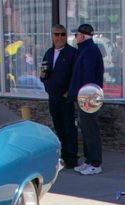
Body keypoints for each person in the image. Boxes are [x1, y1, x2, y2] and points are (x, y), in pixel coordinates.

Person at [68, 23, 104, 175]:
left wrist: (84, 96)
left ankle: (95, 163)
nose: (75, 37)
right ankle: (89, 161)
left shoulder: (89, 51)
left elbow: (88, 77)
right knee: (85, 128)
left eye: (76, 35)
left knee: (90, 129)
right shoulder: (85, 50)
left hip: (88, 97)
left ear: (82, 36)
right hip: (84, 96)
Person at [41, 24, 79, 168]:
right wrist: (44, 81)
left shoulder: (72, 53)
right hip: (53, 96)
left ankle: (72, 158)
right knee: (59, 127)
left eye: (62, 34)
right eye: (56, 34)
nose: (60, 37)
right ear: (52, 36)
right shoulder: (49, 53)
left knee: (70, 127)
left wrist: (70, 92)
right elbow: (44, 73)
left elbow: (76, 75)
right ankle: (62, 155)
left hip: (66, 97)